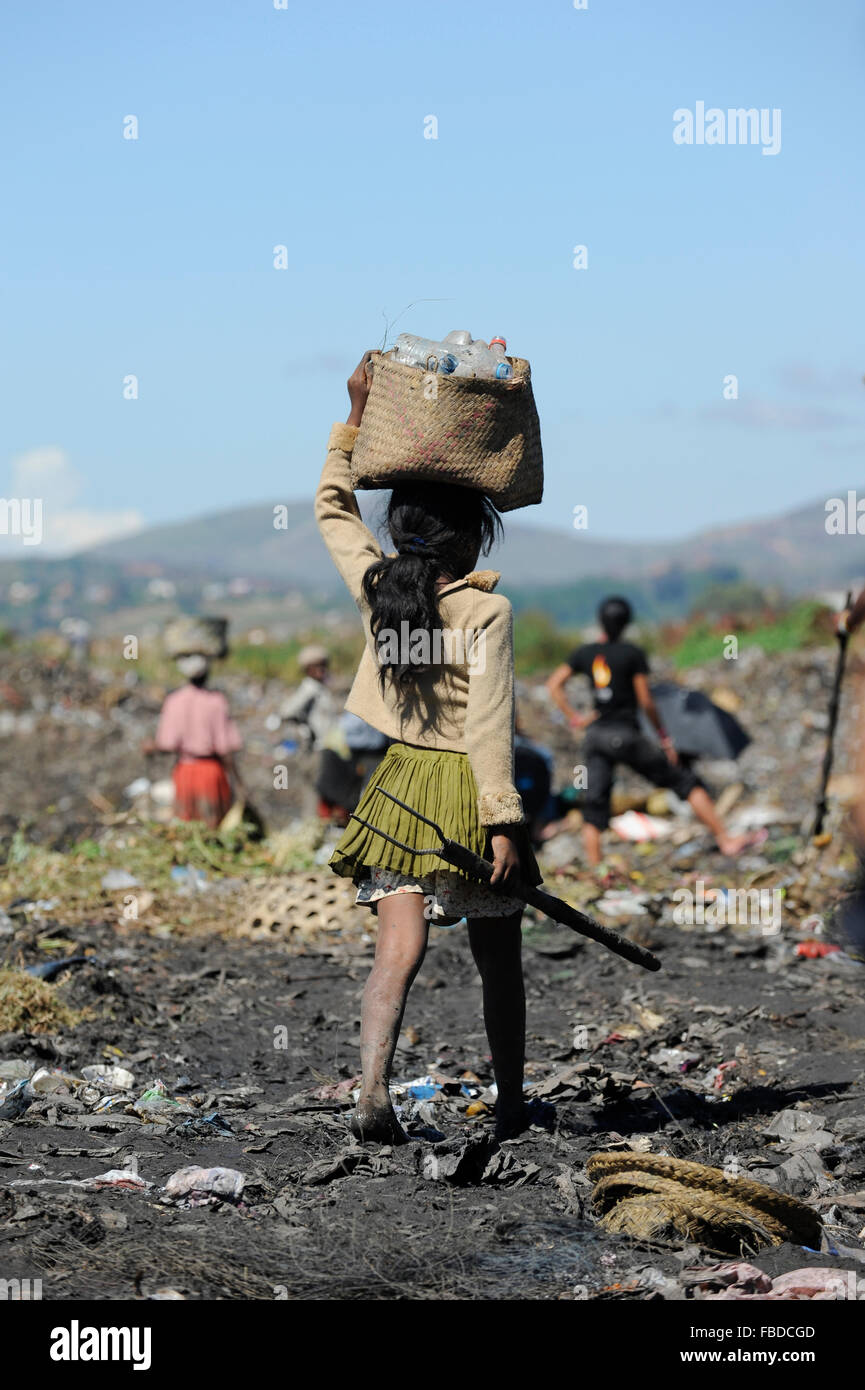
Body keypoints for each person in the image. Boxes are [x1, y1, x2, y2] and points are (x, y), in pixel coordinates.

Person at [315, 351, 540, 1145]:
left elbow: (333, 511)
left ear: (400, 531)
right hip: (463, 798)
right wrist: (503, 821)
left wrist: (350, 420)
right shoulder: (487, 613)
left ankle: (372, 1091)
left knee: (395, 952)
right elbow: (486, 729)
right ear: (473, 536)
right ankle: (511, 1102)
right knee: (497, 958)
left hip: (396, 790)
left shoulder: (381, 591)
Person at [546, 596, 757, 867]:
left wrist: (575, 718)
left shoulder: (586, 653)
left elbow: (554, 684)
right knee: (685, 782)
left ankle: (596, 870)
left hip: (596, 736)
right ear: (627, 623)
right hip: (625, 734)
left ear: (601, 622)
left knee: (595, 805)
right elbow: (645, 701)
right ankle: (725, 839)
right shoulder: (632, 654)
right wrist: (664, 738)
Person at [143, 653, 244, 827]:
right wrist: (239, 782)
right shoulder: (216, 701)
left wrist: (151, 748)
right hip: (211, 774)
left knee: (186, 827)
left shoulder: (174, 701)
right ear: (207, 672)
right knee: (213, 827)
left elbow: (166, 743)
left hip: (184, 773)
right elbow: (225, 748)